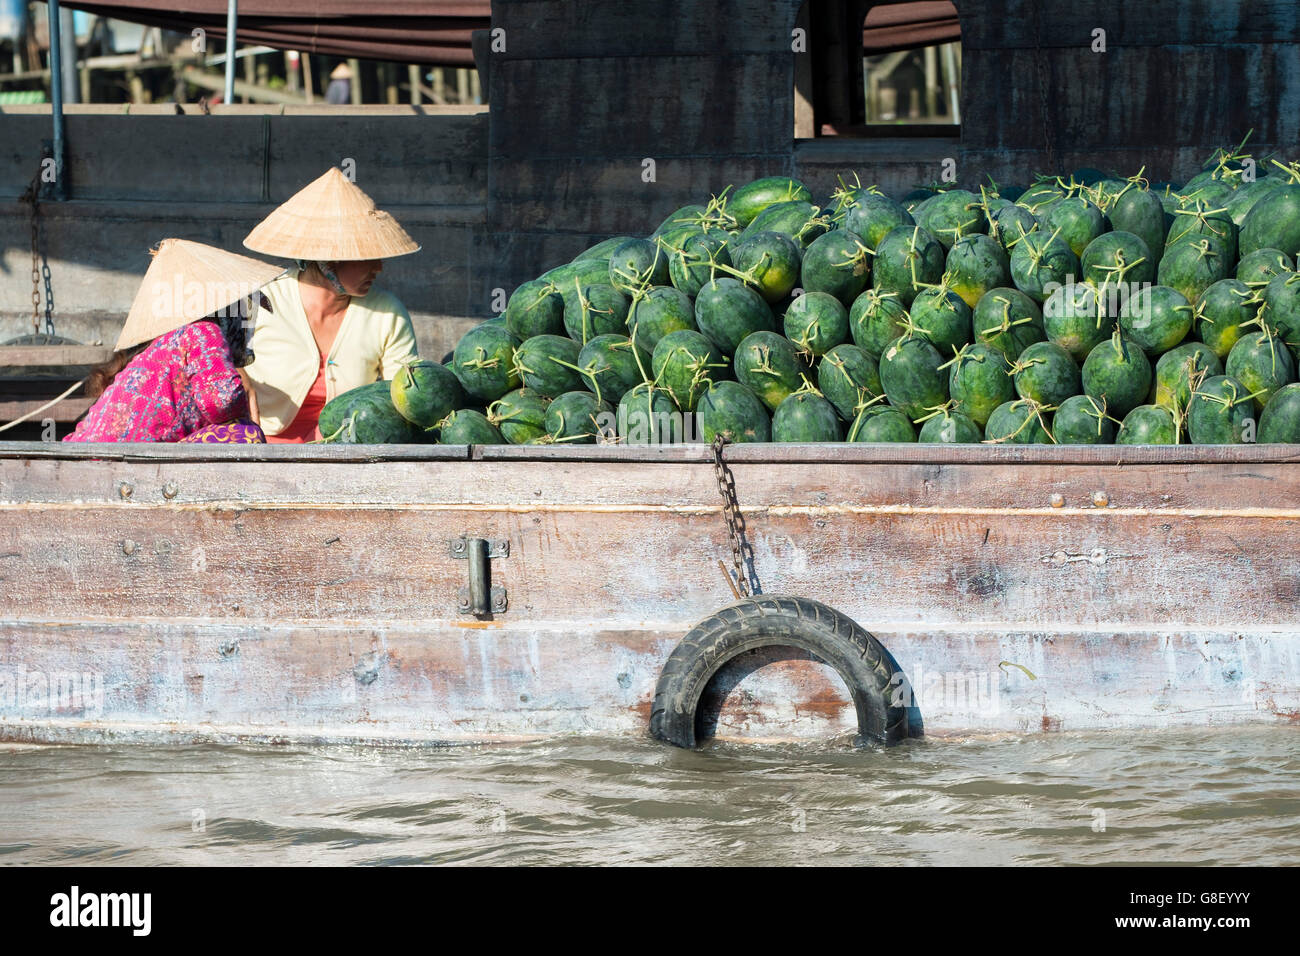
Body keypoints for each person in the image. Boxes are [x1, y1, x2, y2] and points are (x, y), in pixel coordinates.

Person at [239, 167, 421, 442]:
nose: (379, 268)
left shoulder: (387, 313)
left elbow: (406, 393)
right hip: (265, 450)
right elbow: (212, 359)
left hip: (348, 453)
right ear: (328, 261)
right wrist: (235, 372)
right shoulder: (261, 302)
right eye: (367, 258)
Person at [64, 240, 285, 443]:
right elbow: (222, 403)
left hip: (94, 453)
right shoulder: (203, 332)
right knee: (244, 431)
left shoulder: (166, 345)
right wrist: (244, 403)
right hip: (118, 462)